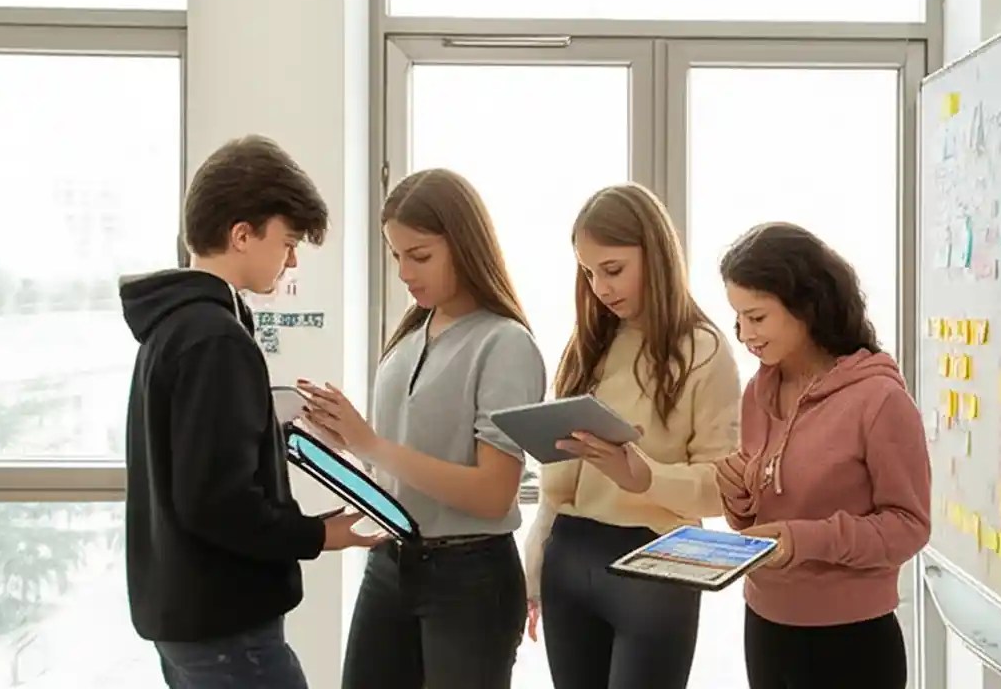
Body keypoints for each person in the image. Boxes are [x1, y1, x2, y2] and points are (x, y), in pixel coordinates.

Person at [119, 135, 379, 689]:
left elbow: (194, 469)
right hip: (226, 627)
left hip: (186, 617)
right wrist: (317, 535)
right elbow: (217, 502)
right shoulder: (215, 338)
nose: (291, 260)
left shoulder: (172, 328)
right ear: (242, 234)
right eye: (287, 242)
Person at [297, 168, 546, 689]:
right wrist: (347, 441)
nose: (405, 273)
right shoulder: (411, 334)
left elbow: (494, 494)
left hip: (470, 579)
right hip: (390, 563)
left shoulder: (504, 343)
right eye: (396, 256)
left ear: (464, 244)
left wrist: (372, 444)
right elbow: (400, 462)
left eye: (420, 255)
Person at [523, 183, 742, 689]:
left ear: (656, 254)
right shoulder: (589, 346)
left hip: (660, 560)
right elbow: (559, 485)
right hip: (570, 556)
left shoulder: (705, 351)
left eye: (613, 269)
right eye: (588, 272)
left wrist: (645, 477)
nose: (600, 287)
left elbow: (723, 487)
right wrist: (534, 561)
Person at [713, 222, 931, 689]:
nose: (745, 335)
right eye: (738, 319)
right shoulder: (758, 393)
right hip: (765, 625)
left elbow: (908, 526)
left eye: (757, 317)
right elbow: (761, 516)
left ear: (806, 307)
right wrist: (739, 497)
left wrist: (803, 541)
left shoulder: (879, 401)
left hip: (850, 640)